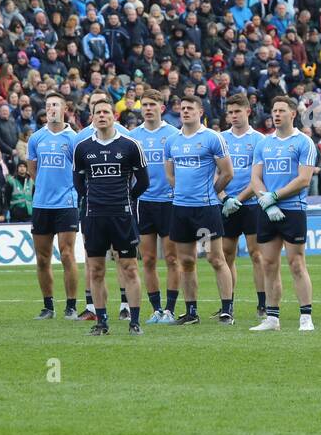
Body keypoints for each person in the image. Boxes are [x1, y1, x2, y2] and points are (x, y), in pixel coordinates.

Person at [72, 96, 148, 336]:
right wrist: (96, 200)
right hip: (94, 217)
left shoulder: (130, 145)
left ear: (114, 116)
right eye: (98, 113)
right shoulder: (83, 148)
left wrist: (125, 199)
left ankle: (134, 321)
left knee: (129, 268)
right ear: (92, 118)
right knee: (96, 269)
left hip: (122, 216)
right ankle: (101, 321)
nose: (102, 116)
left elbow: (143, 182)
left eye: (106, 112)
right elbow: (79, 184)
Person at [162, 94, 235, 325]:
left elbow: (227, 173)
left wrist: (212, 192)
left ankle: (227, 310)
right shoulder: (172, 141)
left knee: (215, 258)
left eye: (190, 108)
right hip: (181, 209)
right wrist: (183, 192)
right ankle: (191, 312)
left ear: (200, 112)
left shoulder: (212, 138)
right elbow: (170, 174)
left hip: (206, 209)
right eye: (182, 108)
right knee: (186, 261)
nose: (185, 111)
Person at [248, 97, 318, 331]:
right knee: (268, 263)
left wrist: (275, 197)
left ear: (292, 114)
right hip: (267, 210)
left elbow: (304, 179)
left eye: (281, 111)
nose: (276, 114)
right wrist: (267, 203)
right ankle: (272, 318)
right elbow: (256, 178)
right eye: (274, 110)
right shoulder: (264, 143)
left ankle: (305, 317)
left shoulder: (304, 142)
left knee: (296, 263)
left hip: (293, 210)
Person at [26, 91, 81, 320]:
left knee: (67, 254)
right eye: (48, 105)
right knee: (42, 258)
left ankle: (71, 305)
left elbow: (80, 170)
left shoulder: (74, 138)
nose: (51, 109)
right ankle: (48, 306)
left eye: (56, 104)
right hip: (41, 203)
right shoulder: (36, 138)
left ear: (64, 108)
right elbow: (32, 170)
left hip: (66, 202)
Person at [130, 90, 181, 324]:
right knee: (148, 259)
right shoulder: (133, 137)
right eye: (145, 104)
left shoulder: (174, 134)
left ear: (162, 108)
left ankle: (170, 309)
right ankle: (156, 308)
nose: (148, 108)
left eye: (153, 104)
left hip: (169, 202)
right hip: (144, 203)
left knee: (172, 258)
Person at [219, 93, 267, 323]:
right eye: (230, 112)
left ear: (248, 111)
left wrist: (238, 198)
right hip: (225, 203)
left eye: (237, 111)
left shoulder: (259, 140)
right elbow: (213, 174)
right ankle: (228, 304)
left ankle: (263, 304)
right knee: (226, 254)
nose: (233, 116)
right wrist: (224, 197)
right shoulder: (219, 139)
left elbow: (258, 176)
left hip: (250, 203)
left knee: (256, 254)